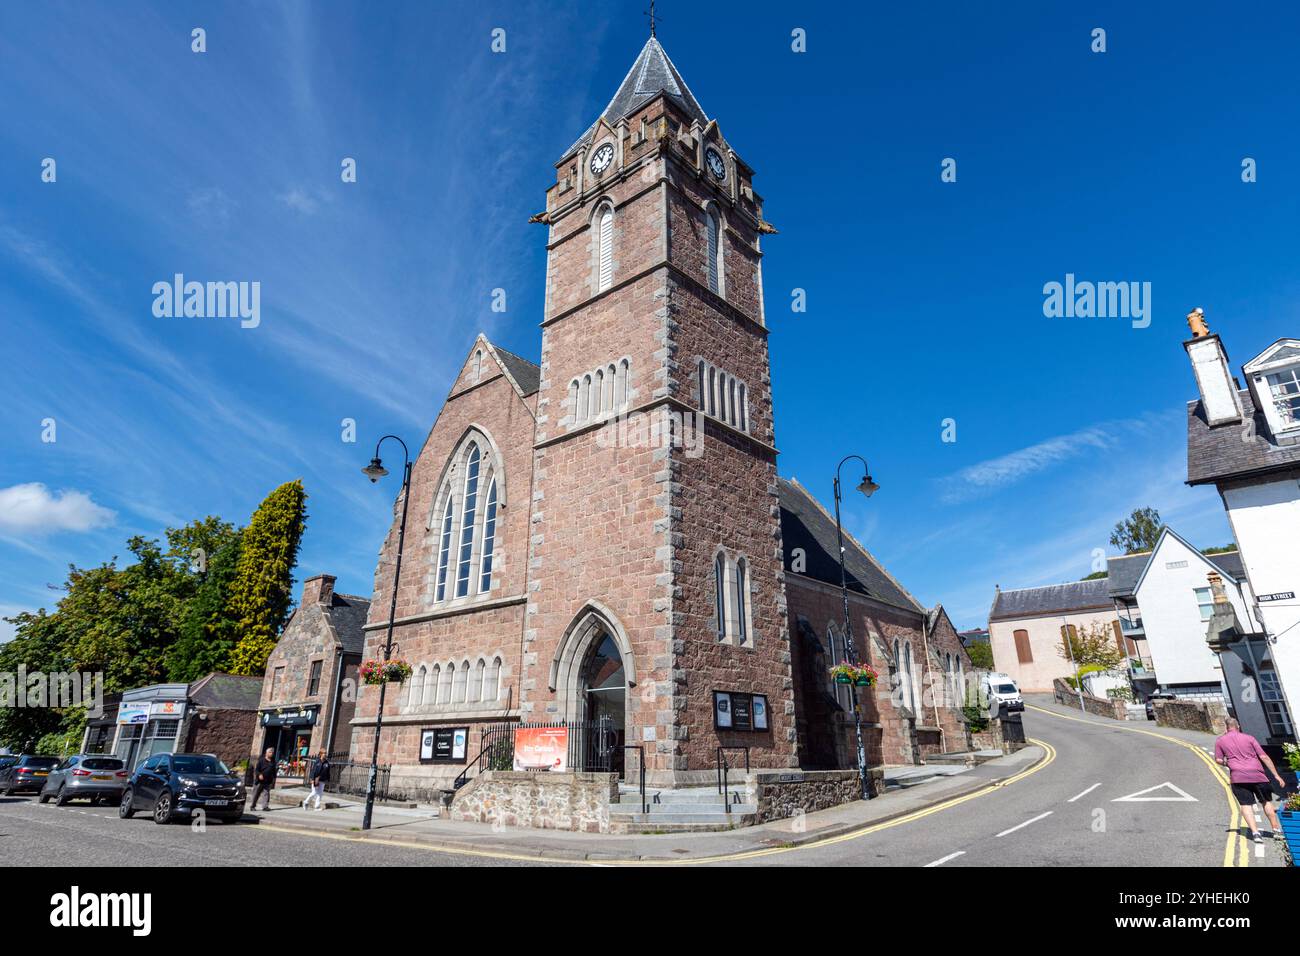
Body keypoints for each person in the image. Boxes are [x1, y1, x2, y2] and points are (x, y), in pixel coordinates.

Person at [1214, 717, 1286, 844]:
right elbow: (1264, 756)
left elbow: (1218, 760)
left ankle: (1255, 833)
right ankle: (1276, 831)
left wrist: (1229, 762)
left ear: (1226, 728)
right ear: (1238, 726)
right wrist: (1276, 775)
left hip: (1238, 778)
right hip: (1258, 775)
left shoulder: (1220, 741)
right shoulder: (1249, 738)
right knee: (1266, 801)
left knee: (1246, 805)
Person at [249, 747, 278, 812]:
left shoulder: (273, 761)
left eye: (272, 752)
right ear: (266, 753)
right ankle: (253, 806)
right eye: (270, 752)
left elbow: (274, 771)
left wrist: (274, 778)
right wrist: (259, 774)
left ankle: (265, 806)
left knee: (266, 793)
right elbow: (256, 770)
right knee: (256, 793)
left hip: (268, 780)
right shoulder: (261, 760)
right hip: (260, 780)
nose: (271, 753)